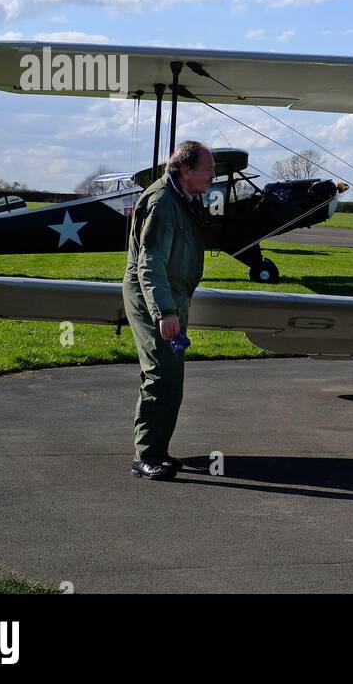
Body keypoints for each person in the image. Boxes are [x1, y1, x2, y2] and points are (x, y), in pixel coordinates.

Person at [124, 141, 215, 479]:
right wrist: (164, 311)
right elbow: (149, 264)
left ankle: (157, 450)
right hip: (154, 296)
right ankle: (145, 457)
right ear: (185, 170)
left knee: (172, 377)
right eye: (207, 170)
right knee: (160, 374)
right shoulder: (162, 201)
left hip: (172, 296)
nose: (212, 176)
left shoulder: (186, 199)